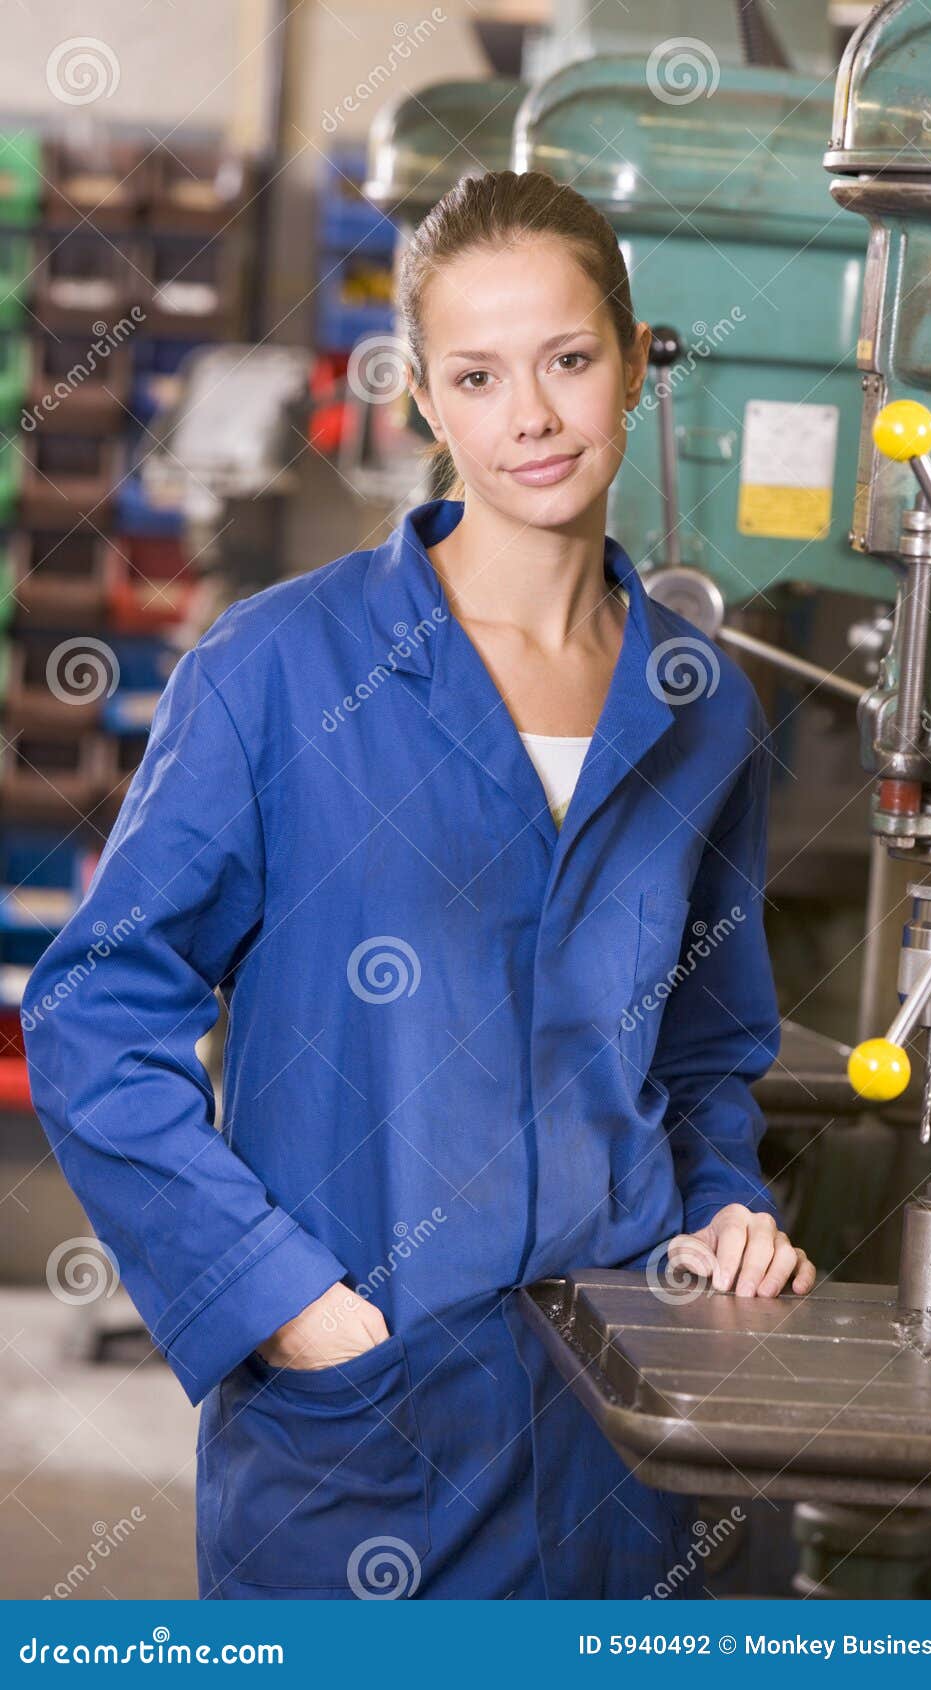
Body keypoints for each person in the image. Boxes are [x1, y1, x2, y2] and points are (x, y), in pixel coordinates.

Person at [22, 169, 814, 1602]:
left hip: (635, 1437)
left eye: (570, 360)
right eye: (478, 373)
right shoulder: (278, 674)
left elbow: (706, 1048)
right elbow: (94, 1013)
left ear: (636, 368)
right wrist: (285, 1304)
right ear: (423, 400)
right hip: (366, 1434)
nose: (533, 415)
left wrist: (724, 1206)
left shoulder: (702, 707)